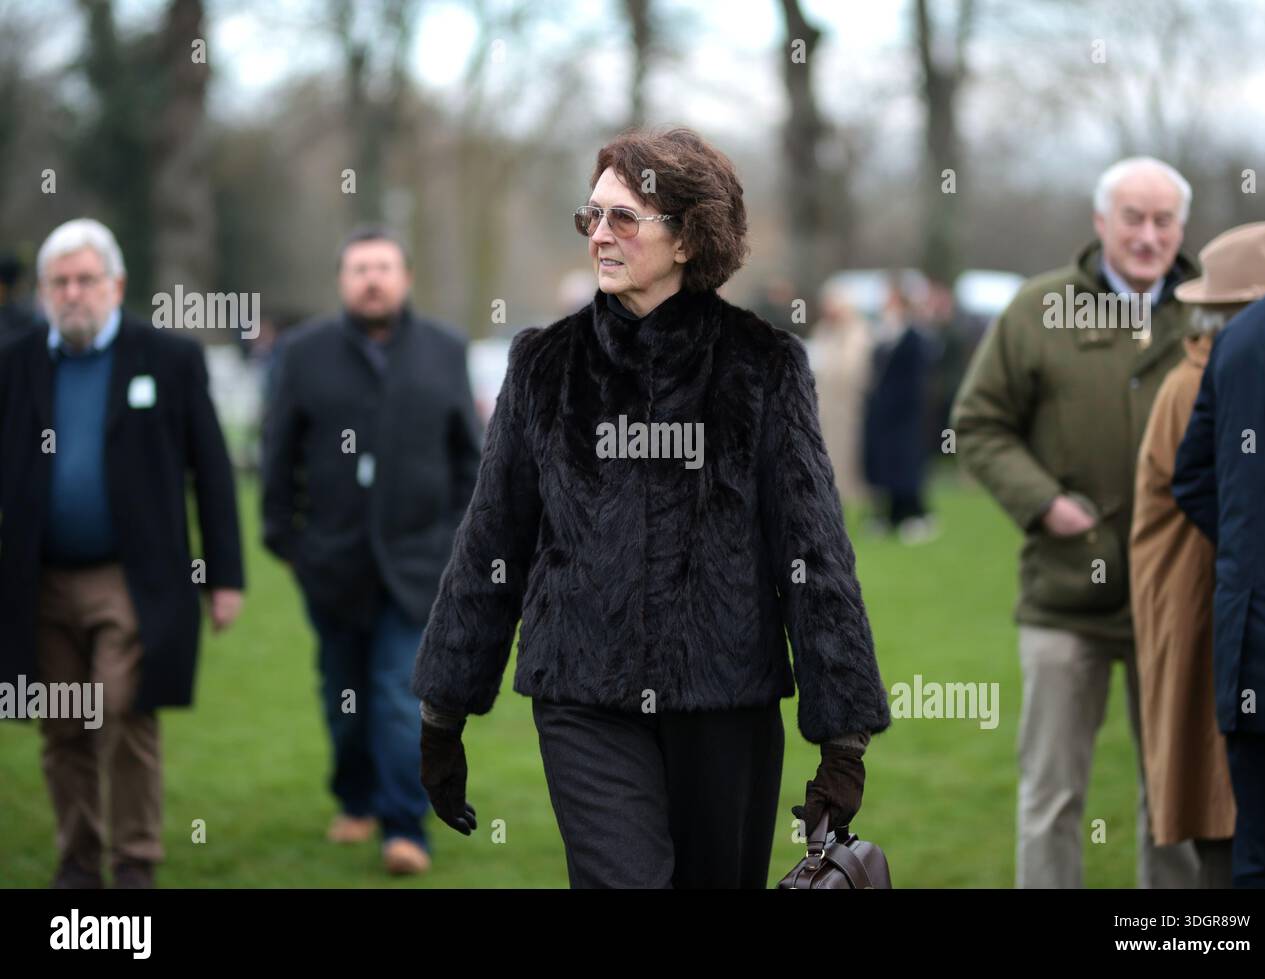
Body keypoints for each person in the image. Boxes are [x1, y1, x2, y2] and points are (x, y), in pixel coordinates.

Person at [412, 127, 891, 888]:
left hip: (725, 701)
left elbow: (814, 552)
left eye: (623, 218)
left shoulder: (763, 366)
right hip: (581, 695)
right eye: (591, 216)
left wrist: (845, 737)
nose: (599, 235)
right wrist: (444, 709)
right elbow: (490, 539)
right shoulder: (543, 365)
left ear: (689, 238)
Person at [951, 157, 1200, 888]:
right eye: (1133, 217)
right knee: (1052, 795)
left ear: (1182, 228)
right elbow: (978, 422)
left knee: (1176, 797)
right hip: (1065, 598)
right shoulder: (1038, 309)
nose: (1148, 236)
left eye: (1164, 220)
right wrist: (1045, 503)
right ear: (1100, 222)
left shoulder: (1213, 310)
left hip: (1180, 598)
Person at [0, 218, 245, 889]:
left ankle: (135, 859)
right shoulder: (16, 363)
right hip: (37, 579)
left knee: (122, 708)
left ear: (116, 285)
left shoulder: (167, 358)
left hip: (132, 577)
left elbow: (213, 470)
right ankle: (79, 859)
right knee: (62, 725)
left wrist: (224, 575)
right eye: (60, 282)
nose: (73, 293)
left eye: (85, 280)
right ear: (45, 290)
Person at [260, 226, 481, 876]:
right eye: (359, 268)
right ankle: (353, 797)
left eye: (384, 266)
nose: (373, 278)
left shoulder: (444, 349)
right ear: (342, 280)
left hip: (419, 567)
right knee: (342, 696)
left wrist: (455, 541)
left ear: (406, 277)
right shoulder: (304, 352)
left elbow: (469, 457)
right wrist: (289, 542)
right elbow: (277, 457)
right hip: (331, 566)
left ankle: (404, 825)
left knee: (393, 693)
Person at [1131, 222, 1265, 888]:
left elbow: (1193, 478)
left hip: (1255, 645)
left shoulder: (1237, 344)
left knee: (1263, 860)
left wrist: (1260, 548)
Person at [862, 278, 938, 543]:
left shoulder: (913, 336)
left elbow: (916, 381)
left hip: (905, 415)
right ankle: (889, 515)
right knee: (885, 467)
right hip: (883, 415)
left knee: (905, 466)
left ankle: (914, 514)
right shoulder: (884, 332)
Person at [807, 283, 872, 510]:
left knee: (845, 457)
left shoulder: (857, 331)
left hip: (846, 409)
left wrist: (827, 366)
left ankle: (846, 500)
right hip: (821, 406)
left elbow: (852, 368)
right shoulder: (823, 329)